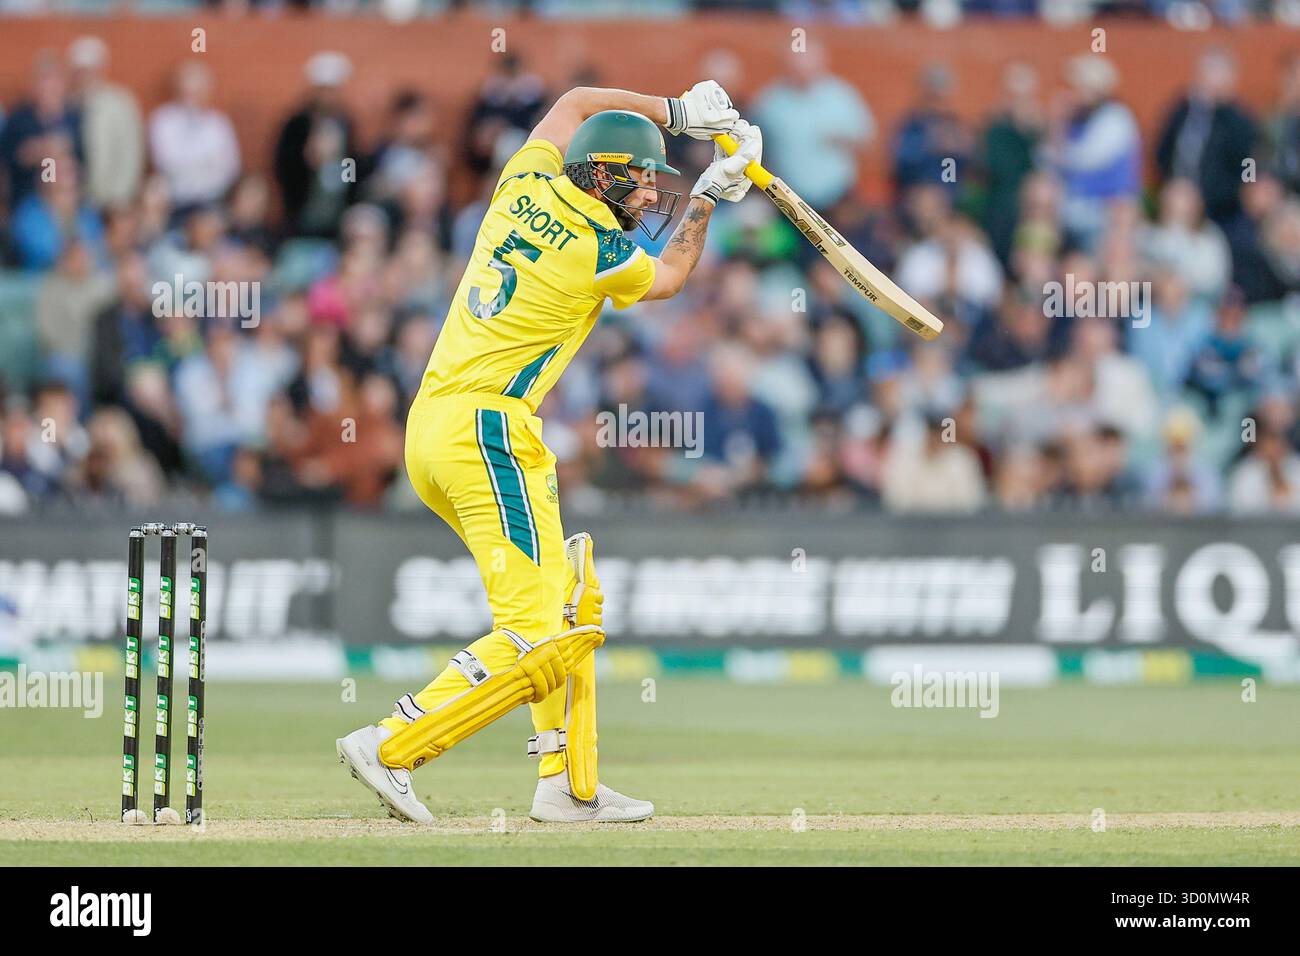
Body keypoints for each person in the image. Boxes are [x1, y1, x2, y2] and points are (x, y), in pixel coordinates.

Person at [336, 81, 755, 825]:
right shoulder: (601, 249)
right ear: (605, 176)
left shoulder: (523, 178)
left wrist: (679, 114)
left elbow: (577, 101)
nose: (652, 193)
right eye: (644, 178)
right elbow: (670, 278)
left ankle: (567, 782)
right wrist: (711, 196)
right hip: (490, 430)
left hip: (433, 424)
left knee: (563, 602)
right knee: (533, 635)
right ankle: (392, 741)